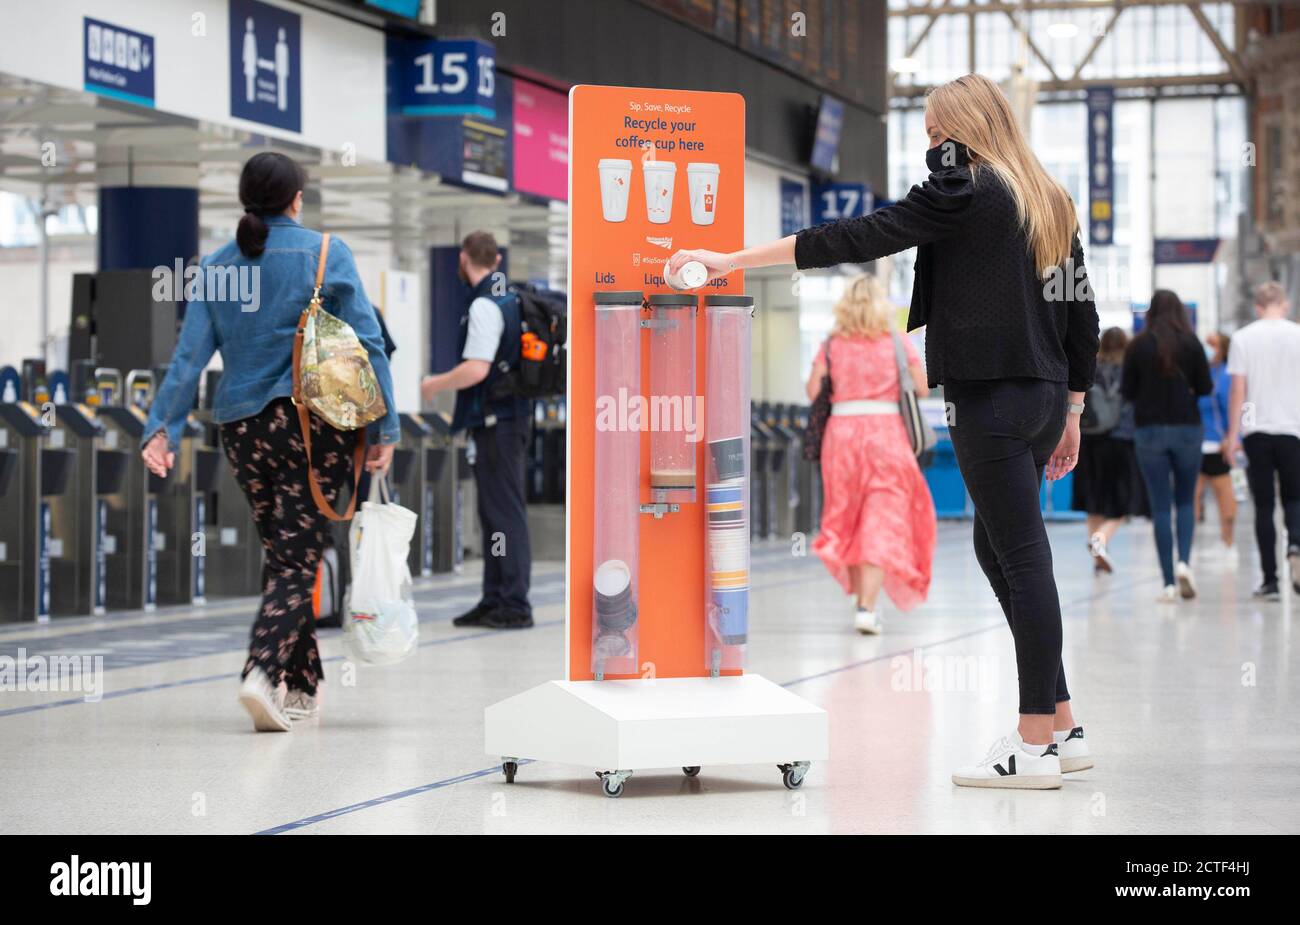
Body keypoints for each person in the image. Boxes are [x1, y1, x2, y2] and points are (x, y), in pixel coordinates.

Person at [669, 74, 1099, 790]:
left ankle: (1031, 747)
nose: (932, 145)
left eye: (936, 132)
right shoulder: (1048, 197)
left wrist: (734, 260)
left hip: (988, 398)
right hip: (1046, 396)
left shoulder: (965, 189)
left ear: (964, 128)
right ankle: (1062, 722)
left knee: (1021, 559)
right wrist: (1075, 411)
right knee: (1004, 555)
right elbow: (1082, 310)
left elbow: (862, 234)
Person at [141, 152, 398, 732]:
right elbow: (371, 342)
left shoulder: (215, 267)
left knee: (287, 554)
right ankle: (261, 671)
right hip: (310, 426)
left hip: (241, 429)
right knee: (296, 557)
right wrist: (385, 427)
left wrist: (163, 428)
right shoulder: (324, 253)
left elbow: (189, 360)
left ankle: (301, 686)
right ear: (296, 199)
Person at [804, 274, 936, 635]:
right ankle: (866, 606)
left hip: (842, 437)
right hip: (886, 437)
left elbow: (813, 389)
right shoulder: (896, 342)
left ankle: (861, 595)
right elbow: (922, 389)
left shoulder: (832, 344)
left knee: (847, 517)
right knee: (881, 519)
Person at [421, 231, 533, 629]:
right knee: (495, 514)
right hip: (505, 422)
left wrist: (434, 383)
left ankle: (514, 603)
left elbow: (477, 368)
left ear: (464, 259)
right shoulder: (509, 299)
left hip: (498, 424)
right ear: (497, 260)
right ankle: (495, 596)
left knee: (503, 514)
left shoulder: (487, 304)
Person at [1120, 290, 1212, 603]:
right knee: (1186, 502)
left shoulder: (1138, 346)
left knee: (1160, 507)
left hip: (1149, 432)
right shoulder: (1192, 342)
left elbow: (1127, 392)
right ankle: (1185, 563)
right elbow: (1205, 388)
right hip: (1188, 429)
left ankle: (1169, 584)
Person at [1222, 281, 1300, 600]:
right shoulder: (1297, 334)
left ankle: (1270, 580)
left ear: (1257, 307)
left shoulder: (1243, 338)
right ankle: (1295, 542)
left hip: (1256, 432)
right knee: (1295, 499)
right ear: (1284, 305)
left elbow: (1239, 390)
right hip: (1293, 429)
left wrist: (1233, 434)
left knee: (1264, 505)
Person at [1071, 327, 1147, 573]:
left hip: (1089, 440)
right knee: (1121, 504)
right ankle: (1100, 540)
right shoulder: (1130, 370)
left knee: (1094, 501)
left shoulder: (1090, 368)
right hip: (1120, 442)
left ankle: (1097, 559)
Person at [1195, 331, 1236, 554]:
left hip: (1219, 444)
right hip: (1196, 442)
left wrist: (1232, 437)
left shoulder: (1227, 375)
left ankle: (1228, 541)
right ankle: (1187, 549)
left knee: (1226, 497)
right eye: (1206, 344)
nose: (1209, 348)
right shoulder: (1198, 372)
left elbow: (1233, 407)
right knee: (1192, 496)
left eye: (1213, 345)